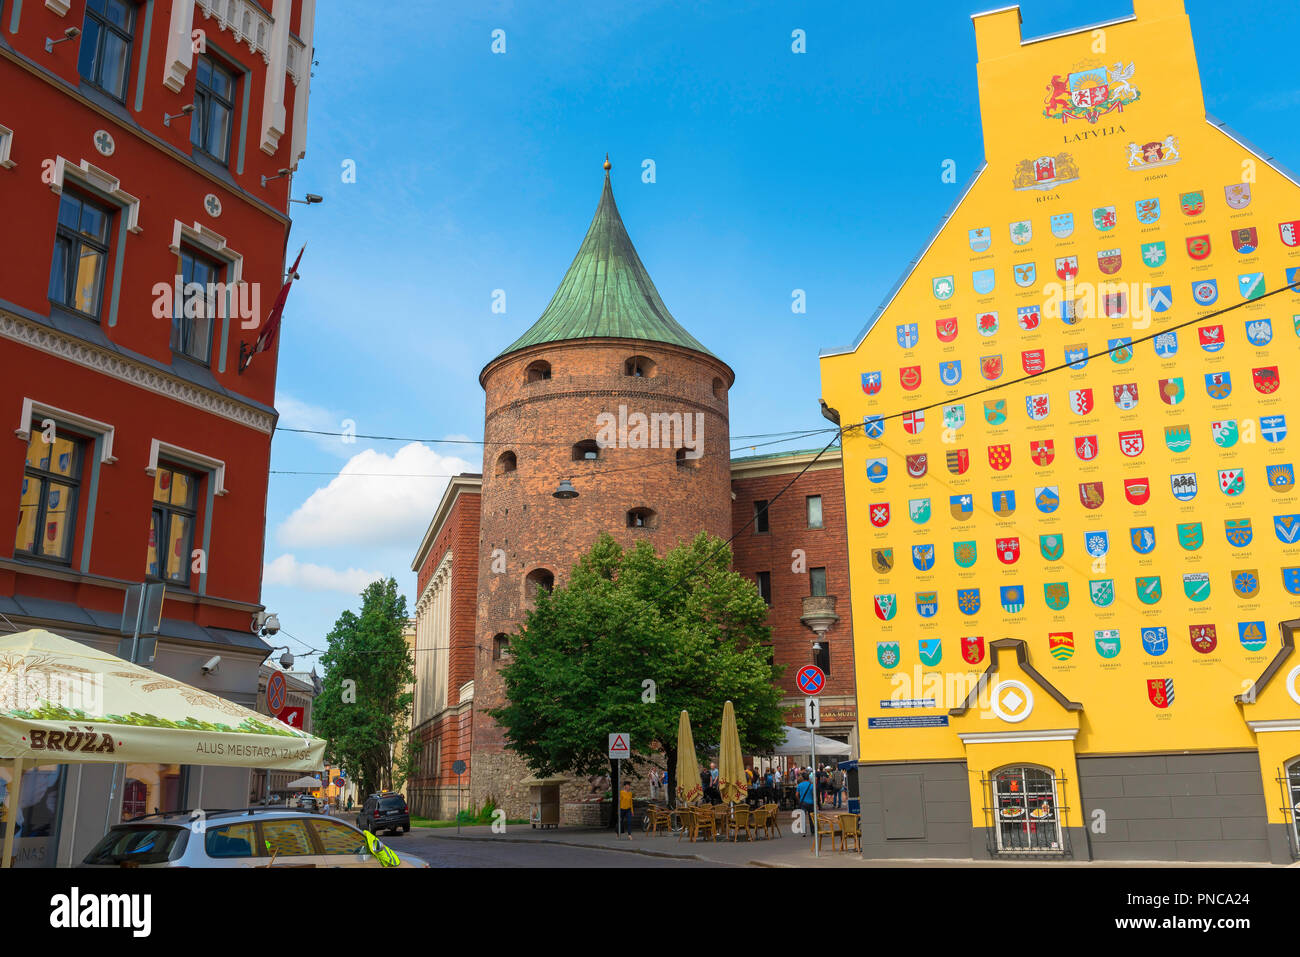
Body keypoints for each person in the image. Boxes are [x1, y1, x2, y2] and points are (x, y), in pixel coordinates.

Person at [796, 772, 815, 836]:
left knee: (803, 817)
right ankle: (812, 831)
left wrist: (799, 800)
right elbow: (813, 794)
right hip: (811, 803)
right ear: (808, 778)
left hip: (803, 803)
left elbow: (796, 794)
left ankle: (803, 832)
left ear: (803, 778)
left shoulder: (799, 785)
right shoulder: (811, 785)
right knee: (811, 817)